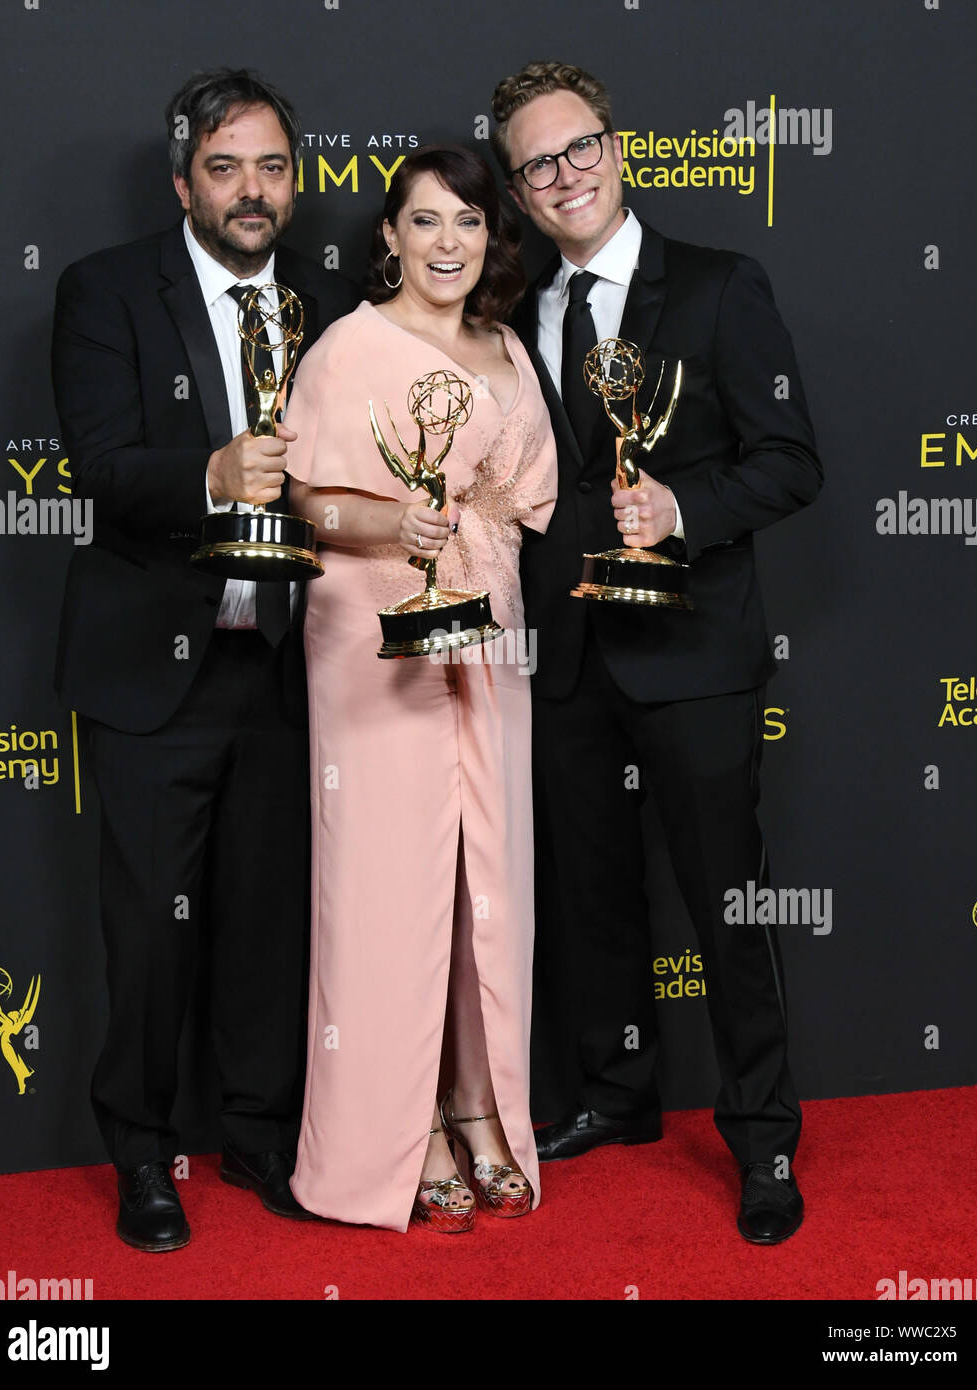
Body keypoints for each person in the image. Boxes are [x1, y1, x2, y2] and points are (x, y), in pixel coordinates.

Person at [490, 61, 822, 1243]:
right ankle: (615, 1098)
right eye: (536, 163)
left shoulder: (722, 288)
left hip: (692, 655)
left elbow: (790, 460)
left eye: (577, 148)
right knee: (590, 902)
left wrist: (678, 510)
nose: (564, 175)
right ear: (519, 192)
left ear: (615, 147)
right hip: (569, 652)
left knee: (726, 907)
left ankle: (763, 1137)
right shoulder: (515, 311)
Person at [52, 68, 357, 1251]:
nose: (250, 190)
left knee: (270, 921)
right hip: (153, 671)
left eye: (271, 167)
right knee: (146, 933)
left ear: (297, 181)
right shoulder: (105, 291)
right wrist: (210, 475)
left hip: (287, 669)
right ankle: (141, 1153)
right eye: (223, 167)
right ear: (182, 180)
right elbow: (98, 462)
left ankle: (260, 1133)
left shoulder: (332, 310)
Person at [283, 145, 557, 1232]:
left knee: (484, 883)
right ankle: (392, 1139)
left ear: (494, 237)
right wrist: (396, 522)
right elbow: (305, 498)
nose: (448, 243)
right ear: (387, 235)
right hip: (371, 632)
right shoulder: (347, 348)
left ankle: (478, 1106)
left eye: (470, 222)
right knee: (385, 892)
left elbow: (522, 495)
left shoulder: (505, 346)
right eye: (425, 222)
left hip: (488, 626)